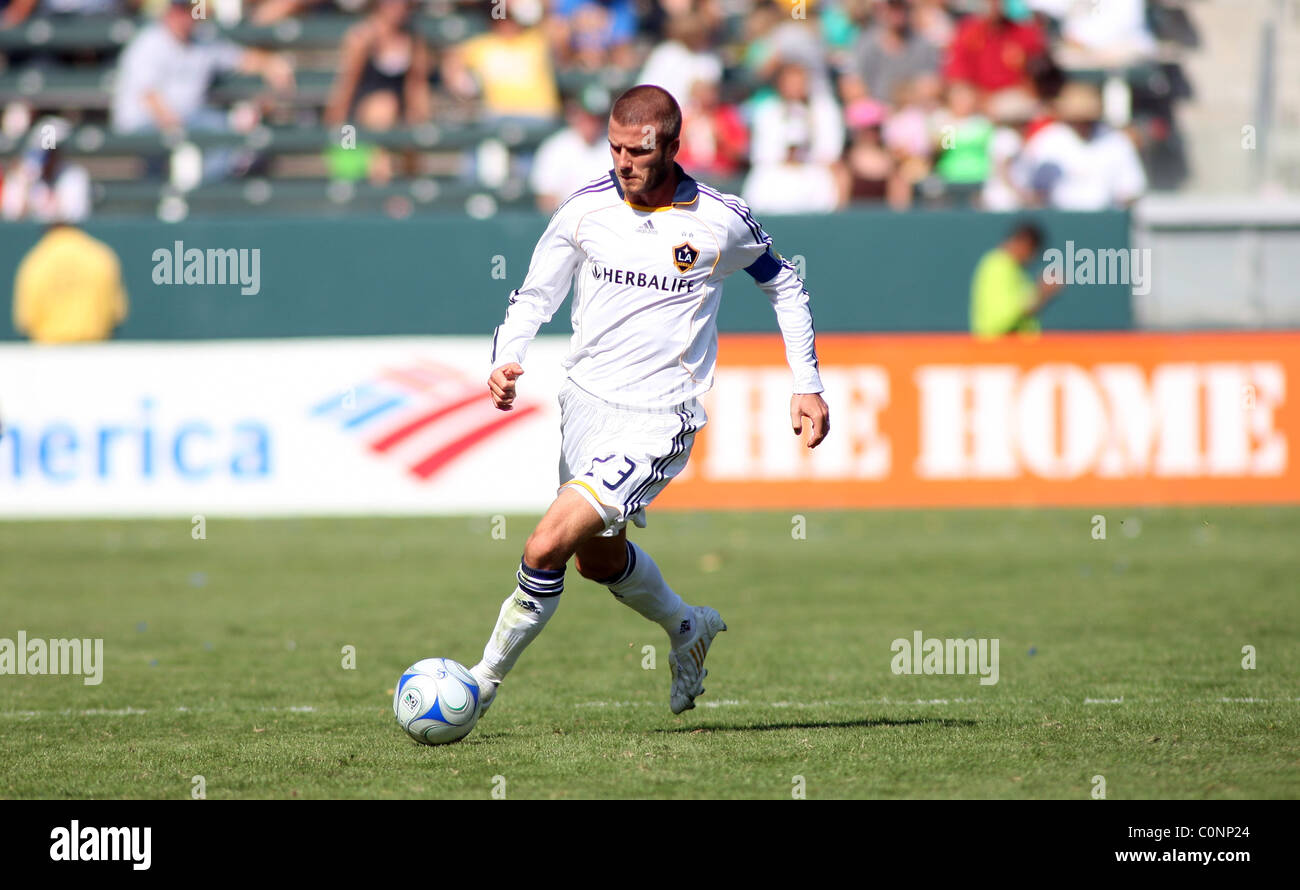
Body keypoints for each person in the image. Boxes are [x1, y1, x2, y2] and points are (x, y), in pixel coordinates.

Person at [475, 84, 829, 717]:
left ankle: (479, 685)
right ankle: (688, 626)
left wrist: (806, 382)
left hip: (660, 418)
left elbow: (785, 284)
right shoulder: (584, 210)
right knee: (595, 560)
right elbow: (533, 295)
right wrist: (507, 356)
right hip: (583, 406)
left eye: (637, 152)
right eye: (613, 148)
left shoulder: (720, 218)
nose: (622, 163)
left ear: (671, 145)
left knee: (544, 545)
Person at [112, 0, 294, 136]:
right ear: (170, 12)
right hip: (146, 124)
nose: (185, 17)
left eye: (190, 10)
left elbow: (241, 58)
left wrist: (271, 63)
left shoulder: (203, 39)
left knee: (230, 131)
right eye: (181, 10)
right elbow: (149, 96)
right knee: (218, 128)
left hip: (191, 120)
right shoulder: (149, 43)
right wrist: (175, 129)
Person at [1020, 81, 1147, 210]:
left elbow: (1132, 187)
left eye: (1085, 120)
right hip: (1057, 220)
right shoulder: (1047, 140)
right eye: (1075, 120)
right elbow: (1029, 184)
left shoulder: (1116, 142)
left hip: (1103, 221)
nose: (1080, 125)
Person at [324, 0, 432, 131]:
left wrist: (422, 122)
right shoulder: (362, 37)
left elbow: (416, 86)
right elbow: (348, 84)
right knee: (384, 106)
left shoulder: (414, 40)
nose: (399, 6)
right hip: (364, 110)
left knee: (412, 118)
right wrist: (336, 124)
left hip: (400, 113)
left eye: (405, 3)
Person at [13, 223, 128, 344]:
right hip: (94, 350)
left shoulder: (35, 261)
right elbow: (117, 313)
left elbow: (26, 321)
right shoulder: (100, 256)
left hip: (48, 354)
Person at [969, 221, 1060, 338]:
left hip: (1014, 351)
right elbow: (1001, 321)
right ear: (1025, 243)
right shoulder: (997, 265)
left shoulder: (1016, 271)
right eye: (1033, 251)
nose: (1032, 258)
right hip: (997, 352)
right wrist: (1041, 293)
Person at [2, 117, 92, 223]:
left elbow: (73, 216)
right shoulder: (23, 175)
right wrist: (24, 186)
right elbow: (11, 216)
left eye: (54, 150)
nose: (49, 155)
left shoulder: (74, 175)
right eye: (45, 150)